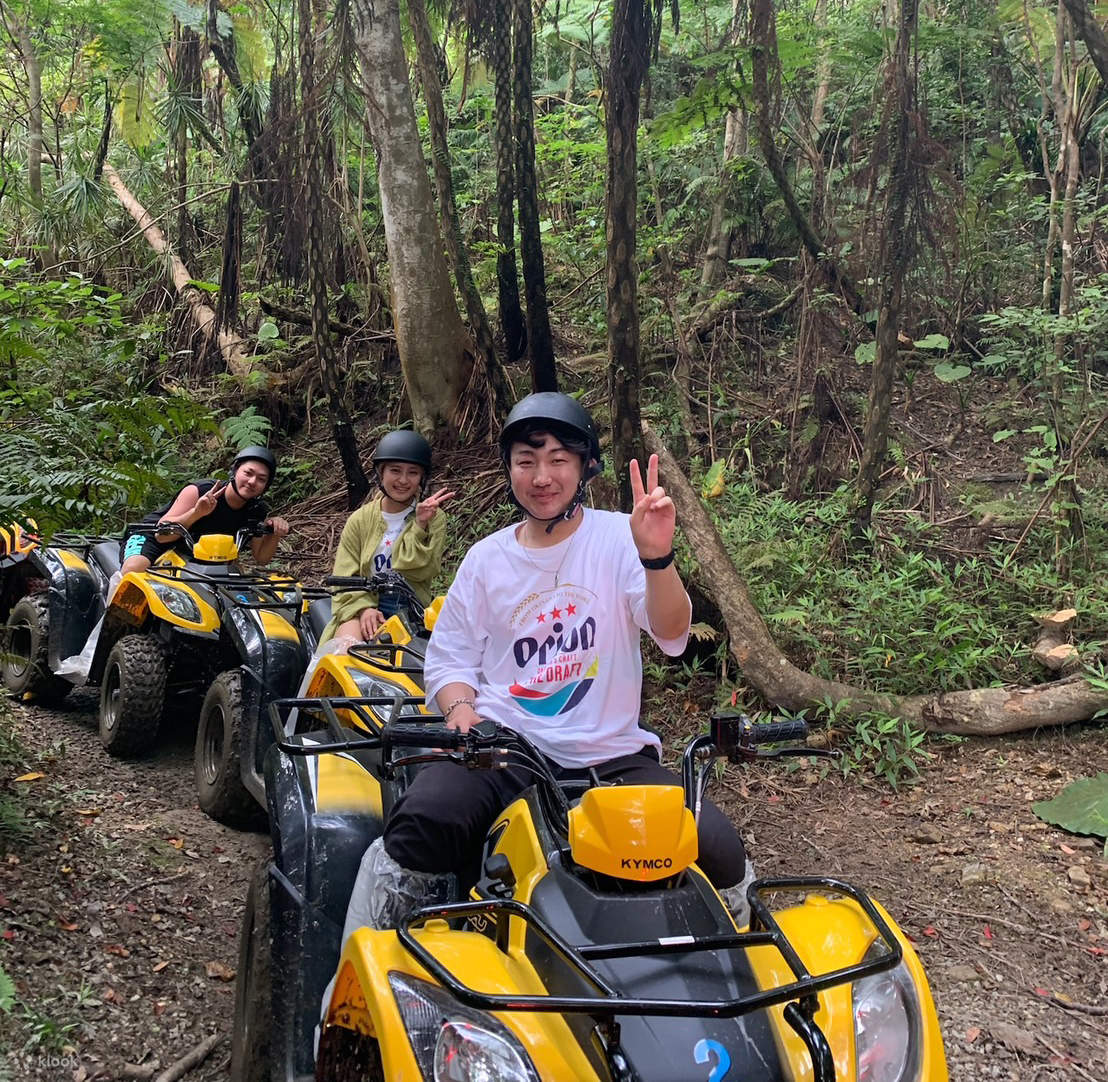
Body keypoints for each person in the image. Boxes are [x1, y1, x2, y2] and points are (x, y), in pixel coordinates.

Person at [347, 392, 752, 933]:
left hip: (609, 755)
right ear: (509, 469)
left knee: (718, 850)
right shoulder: (487, 559)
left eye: (559, 459)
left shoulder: (617, 536)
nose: (542, 475)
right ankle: (361, 972)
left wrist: (657, 556)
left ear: (584, 467)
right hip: (504, 746)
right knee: (422, 823)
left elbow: (672, 628)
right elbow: (449, 662)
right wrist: (462, 711)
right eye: (526, 460)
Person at [318, 430, 454, 646]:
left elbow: (420, 570)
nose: (403, 480)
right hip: (362, 603)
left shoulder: (434, 519)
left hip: (411, 607)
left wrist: (419, 525)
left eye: (413, 472)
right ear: (381, 473)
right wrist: (363, 609)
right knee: (346, 652)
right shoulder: (360, 519)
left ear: (422, 477)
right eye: (395, 470)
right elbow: (344, 577)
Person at [119, 446, 289, 574]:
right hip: (152, 537)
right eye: (248, 473)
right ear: (235, 472)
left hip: (197, 554)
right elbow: (162, 535)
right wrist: (197, 512)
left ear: (266, 486)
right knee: (134, 569)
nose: (252, 481)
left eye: (261, 479)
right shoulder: (200, 491)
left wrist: (275, 533)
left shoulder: (256, 510)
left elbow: (261, 558)